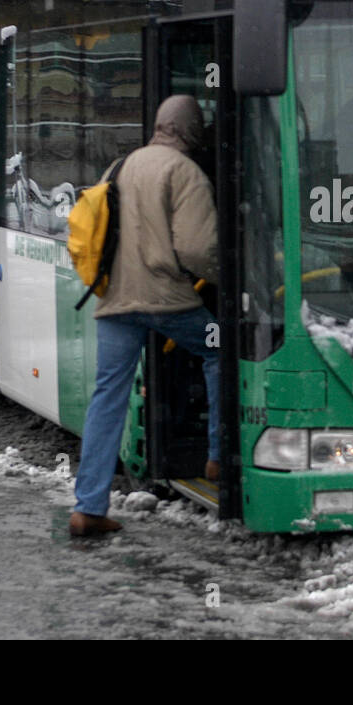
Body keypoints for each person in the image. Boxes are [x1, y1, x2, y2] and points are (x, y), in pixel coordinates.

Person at [70, 94, 220, 537]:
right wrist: (225, 275)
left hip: (116, 302)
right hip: (169, 301)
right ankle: (217, 457)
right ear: (193, 131)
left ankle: (88, 506)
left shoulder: (122, 166)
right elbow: (198, 249)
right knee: (221, 348)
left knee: (108, 396)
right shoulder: (185, 172)